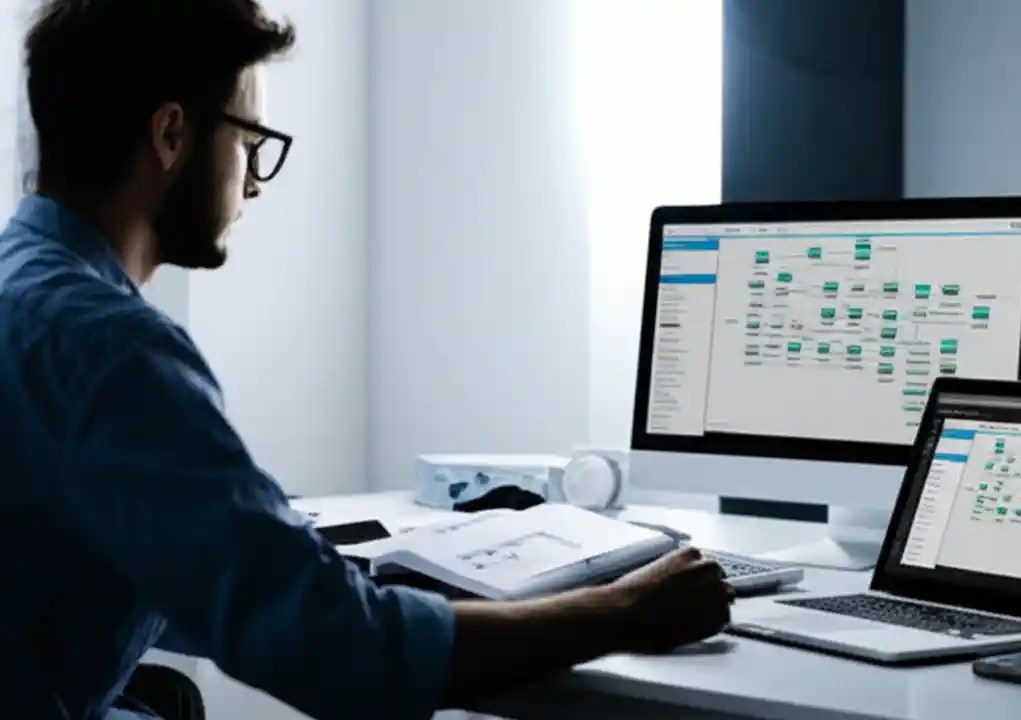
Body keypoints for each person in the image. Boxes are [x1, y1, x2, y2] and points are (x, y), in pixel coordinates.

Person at [0, 1, 734, 718]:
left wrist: (324, 573)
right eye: (250, 141)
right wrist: (626, 610)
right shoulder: (111, 351)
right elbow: (344, 655)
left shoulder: (25, 291)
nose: (254, 181)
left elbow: (181, 570)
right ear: (170, 135)